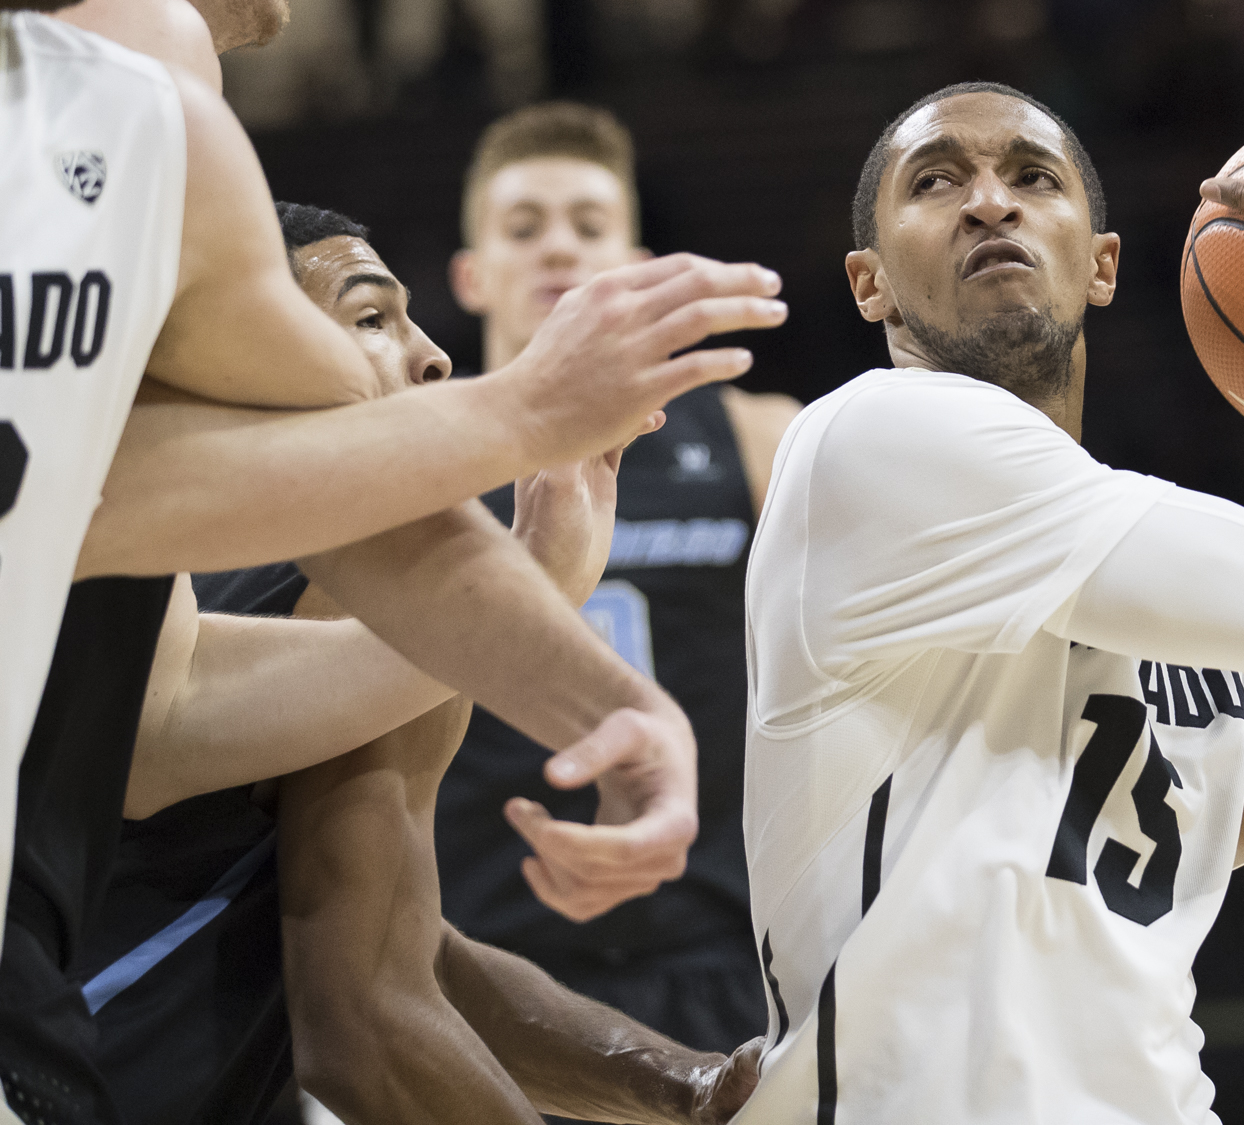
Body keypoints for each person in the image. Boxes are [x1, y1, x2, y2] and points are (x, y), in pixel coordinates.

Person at [736, 74, 1244, 1123]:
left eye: (1030, 176)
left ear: (1102, 266)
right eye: (935, 181)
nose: (988, 201)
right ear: (868, 286)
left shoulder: (1162, 571)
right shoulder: (866, 441)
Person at [80, 204, 758, 1125]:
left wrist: (685, 1087)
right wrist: (533, 589)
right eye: (370, 317)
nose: (434, 354)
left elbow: (407, 952)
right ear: (244, 349)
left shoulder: (166, 553)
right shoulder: (332, 573)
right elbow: (368, 1019)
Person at [435, 102, 800, 1064]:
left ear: (632, 260)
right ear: (471, 275)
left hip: (719, 957)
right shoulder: (411, 454)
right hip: (478, 963)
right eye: (524, 227)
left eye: (589, 226)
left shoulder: (754, 436)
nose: (558, 246)